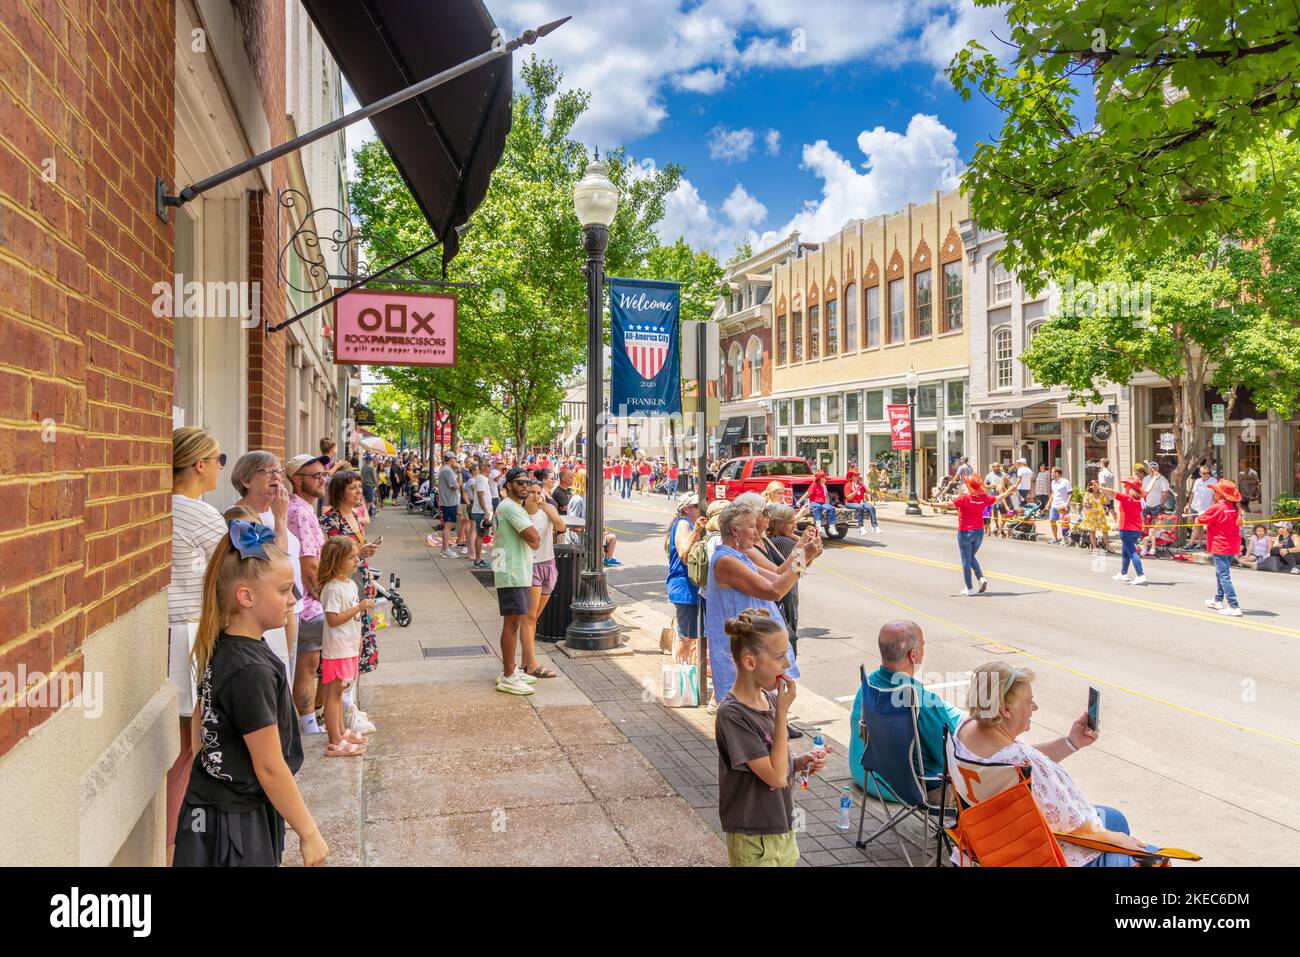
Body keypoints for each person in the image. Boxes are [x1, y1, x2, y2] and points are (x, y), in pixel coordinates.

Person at [173, 520, 327, 867]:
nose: (294, 599)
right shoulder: (249, 670)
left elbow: (202, 727)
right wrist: (309, 832)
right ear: (246, 597)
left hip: (211, 807)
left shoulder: (227, 646)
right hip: (235, 824)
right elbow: (270, 767)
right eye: (285, 590)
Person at [954, 662, 1155, 867]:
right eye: (1029, 701)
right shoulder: (1019, 759)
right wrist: (1118, 840)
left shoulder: (964, 730)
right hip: (1037, 851)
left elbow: (1018, 764)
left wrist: (1071, 743)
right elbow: (1075, 827)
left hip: (989, 836)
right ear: (1006, 709)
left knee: (1113, 816)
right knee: (1138, 843)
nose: (1034, 707)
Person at [715, 609, 826, 867]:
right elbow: (775, 776)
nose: (787, 664)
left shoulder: (770, 700)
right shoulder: (733, 714)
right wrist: (783, 714)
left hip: (781, 828)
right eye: (779, 657)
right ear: (750, 662)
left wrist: (798, 763)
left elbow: (772, 762)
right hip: (752, 835)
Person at [167, 426, 228, 865]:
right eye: (218, 459)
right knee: (188, 746)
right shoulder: (202, 515)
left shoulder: (157, 506)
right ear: (199, 465)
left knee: (180, 745)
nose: (221, 468)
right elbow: (235, 572)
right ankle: (174, 845)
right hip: (188, 633)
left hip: (165, 630)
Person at [705, 496, 815, 706]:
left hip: (755, 645)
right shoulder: (726, 561)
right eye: (751, 526)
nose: (756, 532)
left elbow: (780, 579)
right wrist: (802, 558)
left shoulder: (739, 557)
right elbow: (775, 590)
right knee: (749, 713)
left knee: (765, 711)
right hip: (744, 649)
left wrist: (806, 556)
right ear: (735, 530)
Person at [863, 621, 961, 801]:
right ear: (913, 655)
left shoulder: (870, 685)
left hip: (883, 778)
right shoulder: (923, 701)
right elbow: (951, 757)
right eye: (923, 645)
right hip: (925, 789)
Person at [319, 470, 381, 732]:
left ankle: (350, 706)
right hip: (344, 587)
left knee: (357, 645)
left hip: (358, 583)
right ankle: (343, 709)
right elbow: (333, 554)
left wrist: (370, 581)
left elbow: (355, 556)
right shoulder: (330, 519)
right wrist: (360, 551)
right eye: (353, 488)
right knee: (345, 651)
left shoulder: (354, 516)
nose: (358, 492)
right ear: (339, 491)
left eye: (359, 487)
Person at [230, 452, 299, 679]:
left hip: (285, 614)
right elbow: (270, 564)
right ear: (245, 480)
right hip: (263, 619)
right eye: (267, 471)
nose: (276, 477)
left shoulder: (271, 511)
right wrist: (280, 520)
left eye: (278, 471)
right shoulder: (240, 518)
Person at [284, 453, 331, 737]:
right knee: (309, 664)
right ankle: (308, 723)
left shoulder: (303, 509)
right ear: (296, 480)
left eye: (323, 475)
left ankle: (311, 719)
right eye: (315, 476)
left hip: (306, 602)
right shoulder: (300, 512)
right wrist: (325, 597)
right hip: (309, 605)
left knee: (310, 663)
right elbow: (309, 565)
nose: (322, 480)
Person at [316, 537, 372, 757]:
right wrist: (359, 607)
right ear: (336, 560)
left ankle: (340, 732)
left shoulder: (348, 584)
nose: (356, 562)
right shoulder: (333, 589)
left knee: (340, 693)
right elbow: (333, 619)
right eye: (351, 558)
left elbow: (348, 622)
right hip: (337, 649)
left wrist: (357, 640)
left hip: (347, 646)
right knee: (334, 695)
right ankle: (335, 740)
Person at [493, 467, 543, 695]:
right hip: (512, 572)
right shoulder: (510, 508)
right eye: (519, 483)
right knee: (512, 624)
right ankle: (508, 676)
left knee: (517, 621)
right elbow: (534, 538)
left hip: (517, 570)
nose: (524, 486)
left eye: (527, 482)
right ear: (508, 486)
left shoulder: (514, 508)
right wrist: (533, 537)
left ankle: (511, 669)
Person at [756, 503, 821, 660]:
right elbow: (784, 572)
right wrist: (806, 554)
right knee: (788, 640)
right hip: (782, 597)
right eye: (791, 522)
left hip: (782, 595)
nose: (795, 525)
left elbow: (790, 568)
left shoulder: (767, 540)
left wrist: (806, 551)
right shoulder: (782, 542)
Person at [520, 478, 564, 679]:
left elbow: (561, 527)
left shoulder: (546, 512)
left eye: (539, 492)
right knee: (529, 618)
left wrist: (550, 511)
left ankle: (525, 662)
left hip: (549, 564)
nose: (537, 496)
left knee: (534, 618)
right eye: (532, 493)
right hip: (532, 567)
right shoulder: (520, 516)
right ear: (525, 495)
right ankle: (532, 665)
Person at [953, 474, 1015, 595]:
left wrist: (930, 504)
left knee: (966, 559)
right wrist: (1008, 490)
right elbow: (998, 497)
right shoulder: (983, 498)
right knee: (971, 557)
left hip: (965, 532)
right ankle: (981, 579)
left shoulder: (963, 499)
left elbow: (948, 505)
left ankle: (969, 588)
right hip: (979, 532)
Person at [665, 493, 702, 663]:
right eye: (697, 505)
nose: (701, 507)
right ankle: (681, 678)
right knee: (685, 636)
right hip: (685, 587)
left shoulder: (688, 523)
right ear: (687, 509)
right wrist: (696, 532)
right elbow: (683, 553)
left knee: (689, 635)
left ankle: (686, 676)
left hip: (690, 587)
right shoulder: (683, 523)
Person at [1199, 479, 1244, 616]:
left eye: (1216, 491)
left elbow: (1202, 520)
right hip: (1232, 545)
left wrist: (1198, 517)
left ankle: (1234, 605)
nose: (1214, 493)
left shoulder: (1217, 507)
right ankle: (1218, 599)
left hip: (1220, 545)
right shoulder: (1236, 508)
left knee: (1223, 575)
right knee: (1221, 573)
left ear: (1220, 494)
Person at [1100, 476, 1148, 585]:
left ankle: (1140, 575)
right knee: (1126, 552)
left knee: (1132, 552)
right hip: (1137, 529)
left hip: (1126, 529)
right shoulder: (1142, 498)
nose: (1124, 486)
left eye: (1126, 485)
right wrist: (1155, 478)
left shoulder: (1127, 498)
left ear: (1130, 487)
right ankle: (1123, 574)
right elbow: (1147, 490)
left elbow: (1112, 492)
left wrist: (1100, 488)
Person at [1141, 462, 1172, 555]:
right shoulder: (1146, 479)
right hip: (1146, 505)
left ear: (1157, 469)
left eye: (1154, 468)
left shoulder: (1162, 479)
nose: (1152, 469)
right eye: (1151, 468)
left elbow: (1165, 493)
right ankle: (1147, 543)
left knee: (1155, 528)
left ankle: (1152, 545)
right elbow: (1143, 492)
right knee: (1144, 527)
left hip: (1157, 506)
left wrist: (1161, 503)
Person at [468, 459, 494, 570]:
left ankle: (479, 559)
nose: (490, 467)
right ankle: (478, 560)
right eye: (488, 465)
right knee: (480, 535)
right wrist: (486, 512)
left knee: (481, 536)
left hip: (482, 511)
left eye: (490, 465)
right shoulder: (480, 479)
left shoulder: (483, 479)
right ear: (482, 467)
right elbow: (480, 495)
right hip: (481, 512)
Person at [436, 452, 461, 558]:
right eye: (455, 458)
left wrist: (458, 473)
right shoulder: (447, 470)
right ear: (451, 459)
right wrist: (458, 473)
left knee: (449, 524)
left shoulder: (445, 470)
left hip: (448, 501)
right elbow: (456, 486)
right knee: (448, 525)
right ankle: (445, 549)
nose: (456, 461)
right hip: (449, 502)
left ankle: (445, 549)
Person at [1077, 478, 1111, 552]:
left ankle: (1108, 547)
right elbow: (1084, 504)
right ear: (1090, 486)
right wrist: (1087, 505)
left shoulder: (1101, 494)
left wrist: (1105, 492)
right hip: (1091, 515)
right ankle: (1095, 547)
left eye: (1096, 485)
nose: (1094, 486)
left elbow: (1107, 502)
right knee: (1092, 531)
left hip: (1100, 515)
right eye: (1092, 485)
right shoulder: (1088, 494)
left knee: (1105, 531)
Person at [1187, 464, 1216, 548]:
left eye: (1208, 473)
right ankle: (1200, 544)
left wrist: (1211, 507)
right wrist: (1188, 505)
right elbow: (1193, 494)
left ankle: (1190, 543)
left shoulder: (1213, 481)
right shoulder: (1197, 481)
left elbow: (1214, 496)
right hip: (1195, 506)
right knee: (1198, 527)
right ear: (1200, 473)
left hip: (1205, 508)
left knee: (1197, 525)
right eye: (1204, 473)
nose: (1206, 474)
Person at [798, 469, 836, 535]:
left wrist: (827, 505)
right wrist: (799, 501)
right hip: (814, 502)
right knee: (818, 507)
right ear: (820, 478)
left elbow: (826, 497)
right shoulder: (814, 485)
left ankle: (831, 527)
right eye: (824, 477)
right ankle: (818, 525)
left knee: (831, 508)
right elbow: (807, 494)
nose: (826, 479)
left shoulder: (824, 486)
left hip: (823, 503)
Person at [844, 468, 880, 534]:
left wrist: (871, 489)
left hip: (860, 502)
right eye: (855, 475)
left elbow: (869, 492)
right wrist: (855, 491)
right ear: (851, 477)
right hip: (850, 503)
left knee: (871, 507)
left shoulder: (860, 484)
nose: (856, 477)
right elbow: (848, 498)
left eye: (857, 475)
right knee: (859, 507)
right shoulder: (847, 485)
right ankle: (861, 527)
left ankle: (875, 526)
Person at [1047, 467, 1073, 544]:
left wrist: (1066, 505)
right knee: (1052, 521)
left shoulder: (1065, 482)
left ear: (1057, 473)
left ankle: (1066, 539)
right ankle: (1055, 538)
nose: (1051, 474)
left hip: (1062, 506)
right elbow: (1053, 493)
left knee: (1064, 523)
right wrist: (1048, 503)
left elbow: (1071, 493)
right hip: (1054, 505)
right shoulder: (1053, 482)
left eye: (1052, 472)